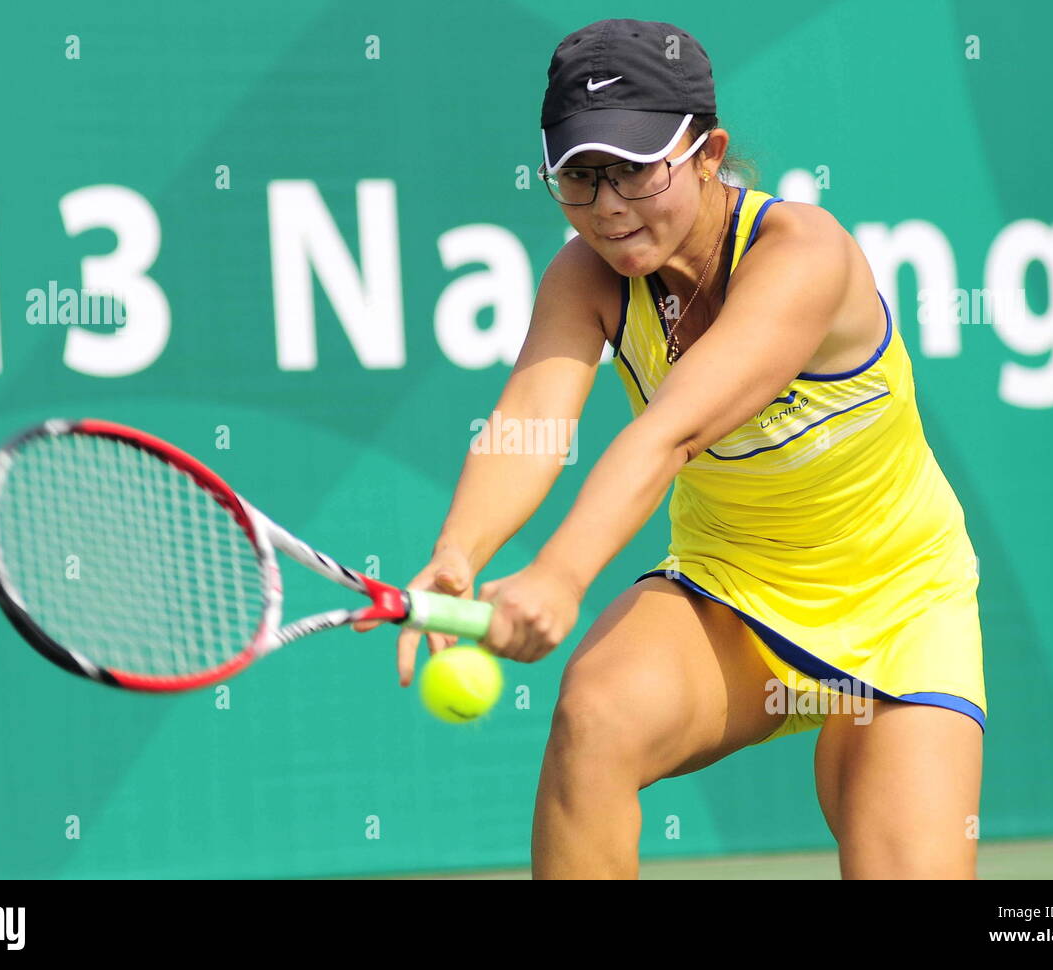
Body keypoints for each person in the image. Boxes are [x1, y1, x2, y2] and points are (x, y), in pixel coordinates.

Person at [355, 17, 986, 880]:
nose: (607, 205)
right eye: (579, 177)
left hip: (903, 605)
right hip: (735, 590)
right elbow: (531, 421)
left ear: (705, 151)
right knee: (598, 714)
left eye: (634, 168)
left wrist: (561, 574)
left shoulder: (804, 253)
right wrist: (460, 552)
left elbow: (672, 431)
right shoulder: (586, 275)